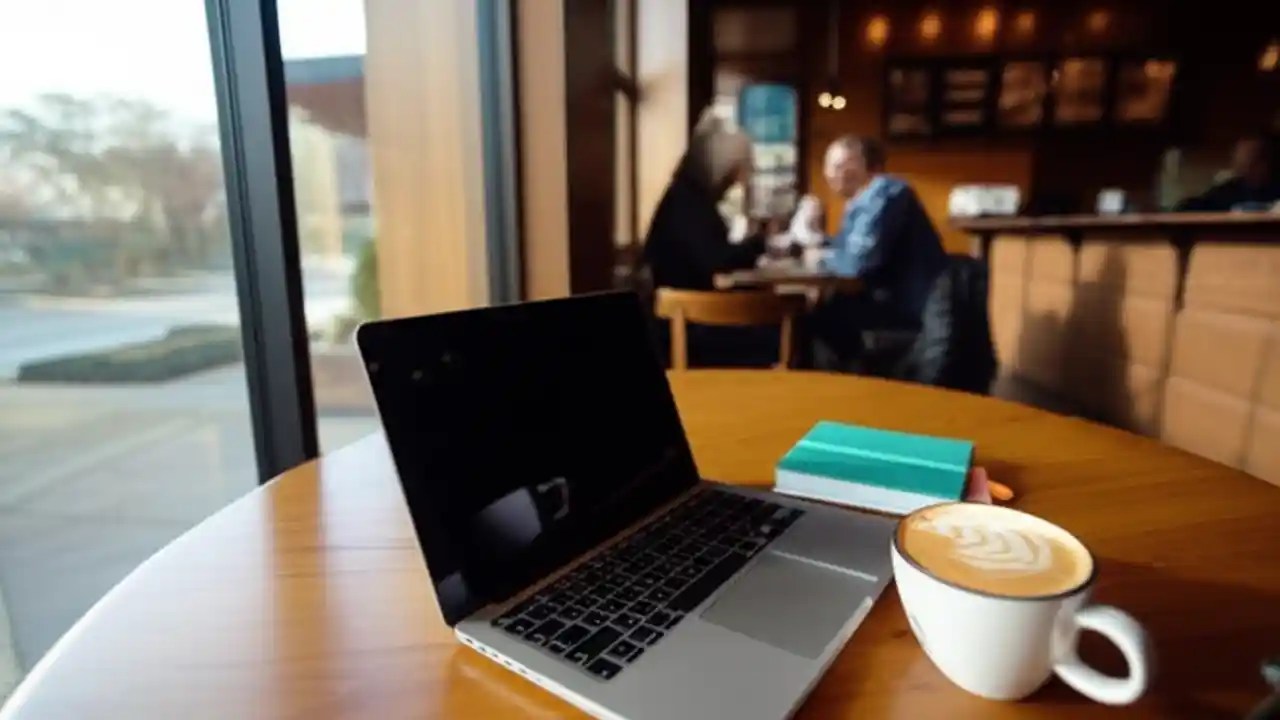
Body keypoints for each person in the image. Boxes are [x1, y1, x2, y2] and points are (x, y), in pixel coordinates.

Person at [807, 135, 948, 365]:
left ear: (857, 164)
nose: (828, 174)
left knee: (818, 318)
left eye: (834, 165)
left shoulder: (885, 192)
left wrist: (821, 257)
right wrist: (821, 243)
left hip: (908, 309)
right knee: (822, 311)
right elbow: (847, 250)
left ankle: (843, 385)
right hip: (890, 302)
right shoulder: (859, 203)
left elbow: (856, 265)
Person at [643, 117, 765, 290]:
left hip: (680, 306)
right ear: (721, 168)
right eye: (730, 178)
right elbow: (717, 260)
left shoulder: (685, 197)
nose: (730, 187)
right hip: (688, 309)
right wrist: (758, 244)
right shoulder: (690, 203)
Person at [1177, 135, 1280, 212]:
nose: (1244, 168)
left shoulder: (1275, 189)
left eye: (1252, 161)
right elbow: (1198, 206)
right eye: (1241, 162)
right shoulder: (1228, 191)